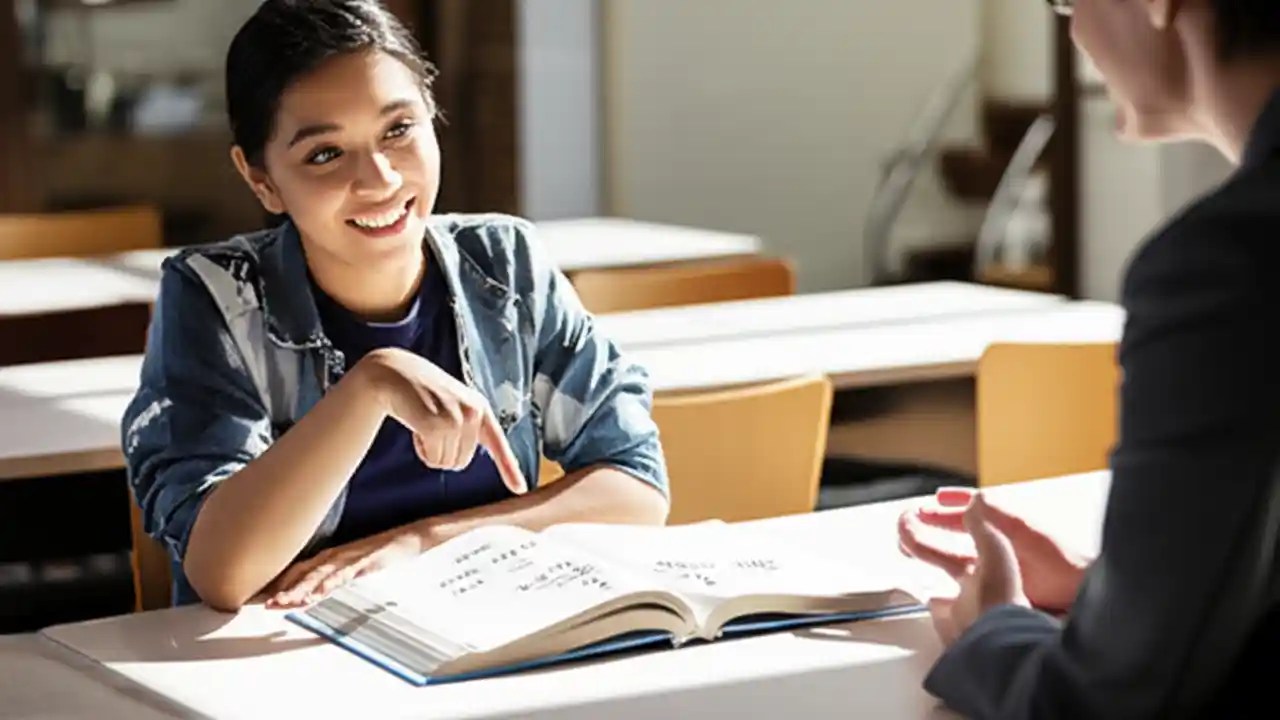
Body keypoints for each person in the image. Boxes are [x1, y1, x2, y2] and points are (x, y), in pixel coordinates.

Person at [120, 0, 668, 612]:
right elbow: (224, 572)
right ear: (261, 180)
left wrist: (422, 543)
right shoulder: (216, 297)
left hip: (483, 635)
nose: (379, 178)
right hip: (289, 664)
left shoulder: (504, 262)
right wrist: (370, 386)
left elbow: (635, 486)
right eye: (324, 154)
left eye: (398, 130)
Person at [897, 0, 1280, 716]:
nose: (1071, 31)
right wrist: (1128, 589)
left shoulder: (1228, 267)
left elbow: (1104, 705)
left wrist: (993, 632)